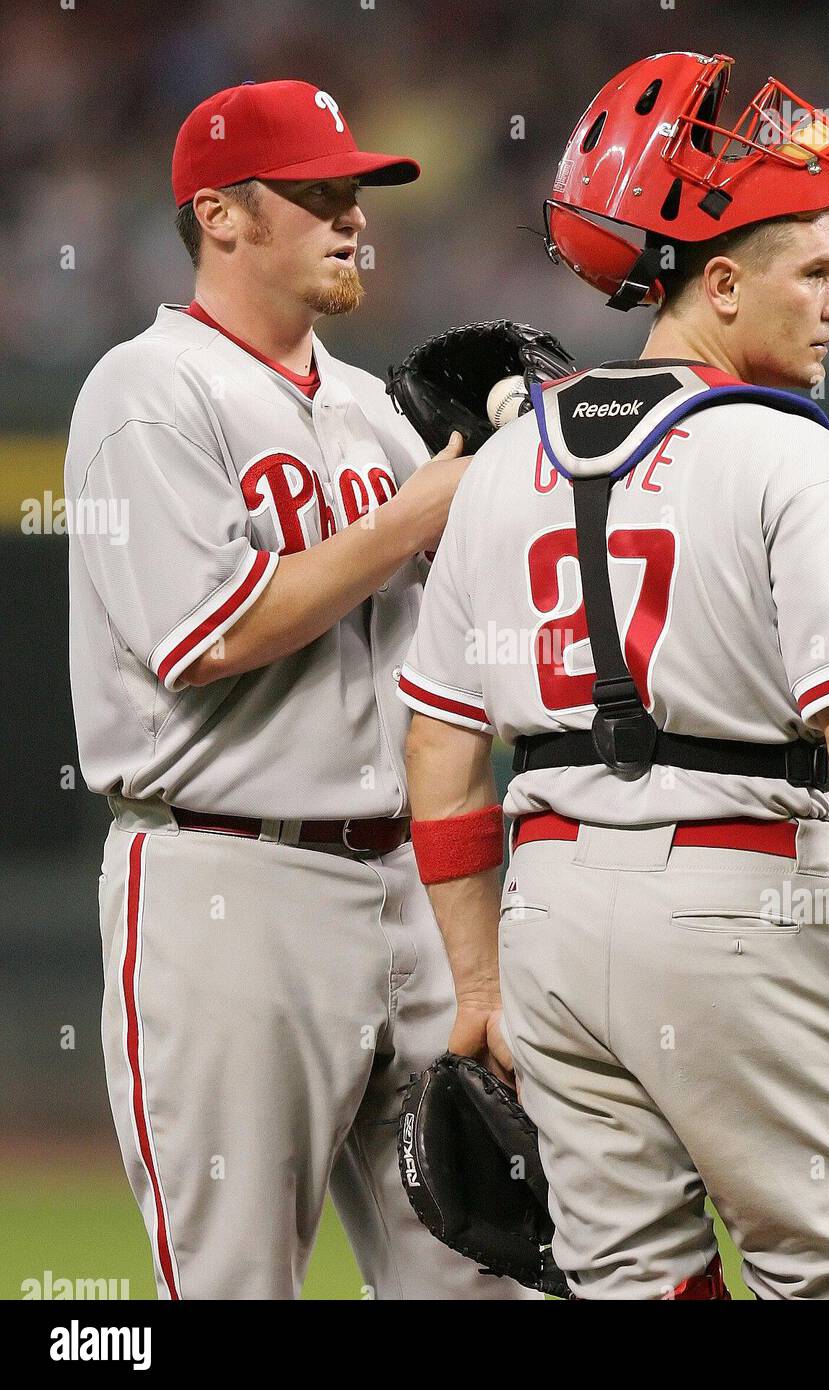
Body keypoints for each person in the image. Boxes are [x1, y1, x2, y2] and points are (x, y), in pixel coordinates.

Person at [398, 52, 829, 1300]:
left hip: (548, 919)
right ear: (719, 284)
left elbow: (440, 749)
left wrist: (483, 981)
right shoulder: (788, 454)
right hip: (742, 903)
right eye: (815, 271)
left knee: (635, 1287)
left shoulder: (501, 467)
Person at [65, 78, 534, 1301]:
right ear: (218, 214)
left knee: (483, 1270)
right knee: (235, 1281)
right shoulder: (145, 389)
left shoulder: (378, 410)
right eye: (317, 194)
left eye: (356, 194)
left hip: (412, 881)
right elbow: (205, 637)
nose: (351, 218)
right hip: (233, 880)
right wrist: (418, 512)